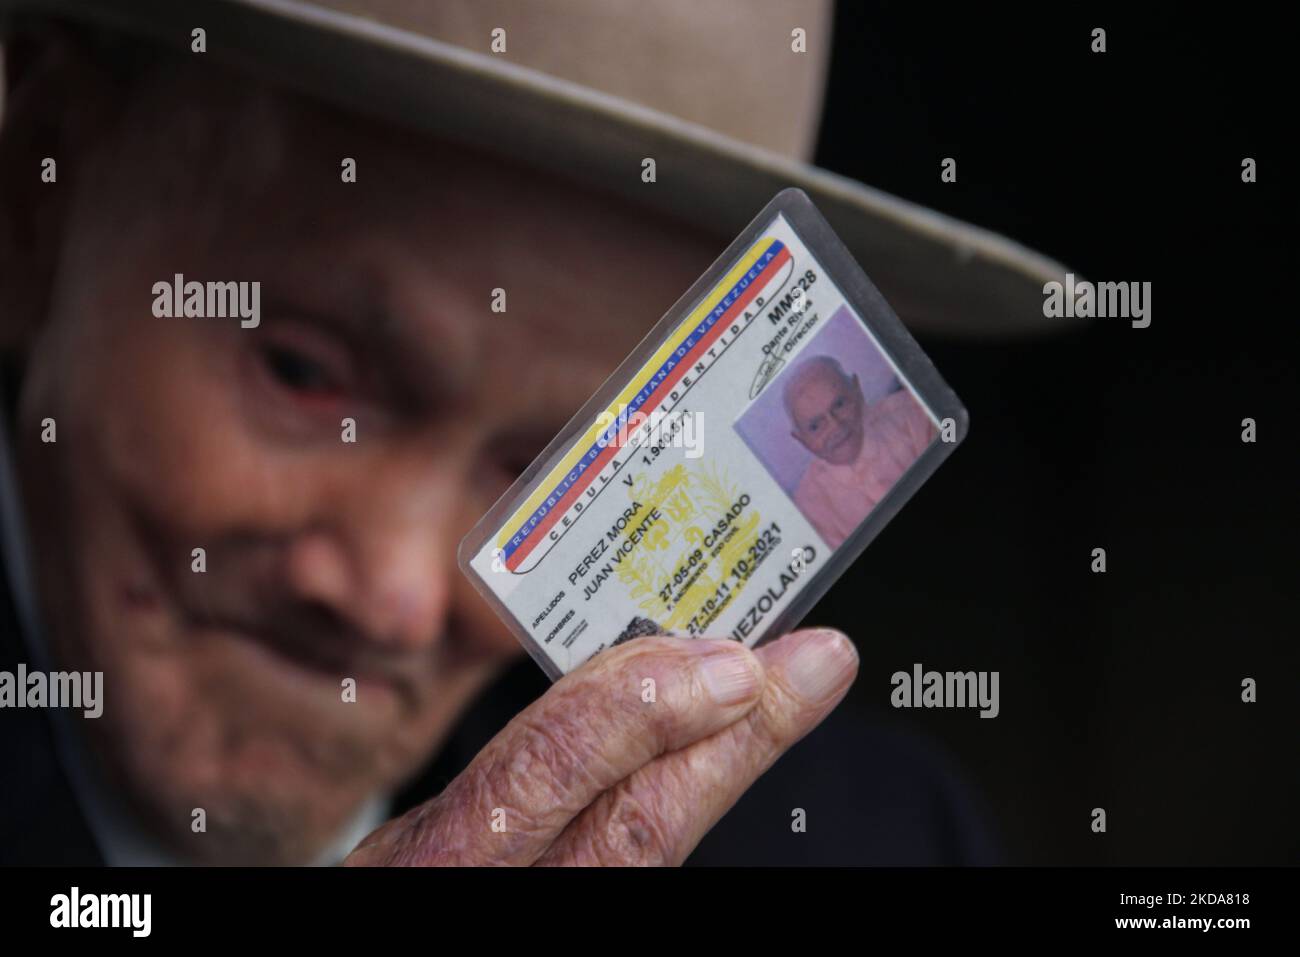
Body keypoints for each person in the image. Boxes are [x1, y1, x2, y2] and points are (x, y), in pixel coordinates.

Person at [0, 0, 1057, 866]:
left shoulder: (869, 846)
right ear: (35, 192)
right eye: (305, 375)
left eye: (568, 474)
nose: (396, 597)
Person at [786, 356, 935, 549]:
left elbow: (953, 435)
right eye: (816, 426)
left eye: (839, 405)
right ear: (802, 440)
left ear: (857, 390)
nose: (836, 426)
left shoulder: (912, 409)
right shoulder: (808, 510)